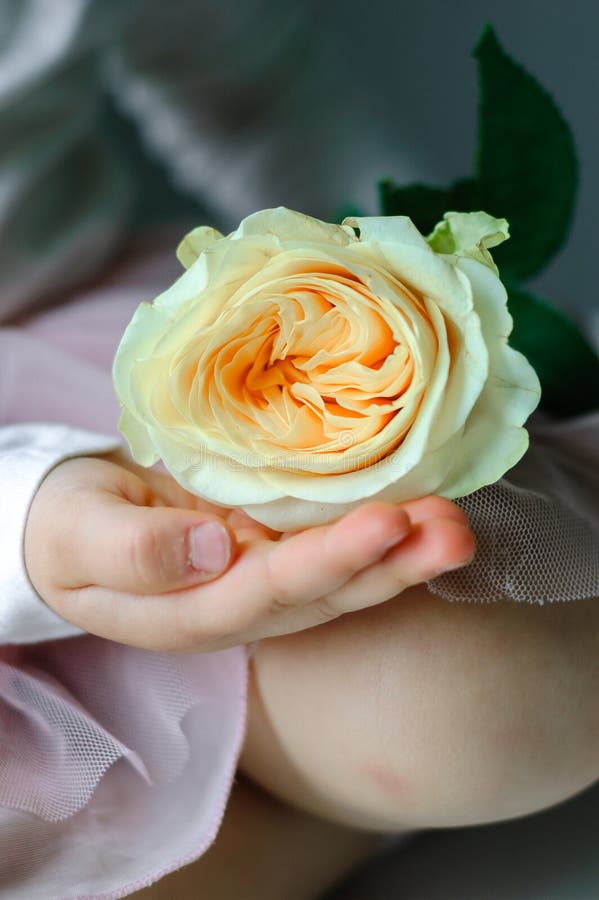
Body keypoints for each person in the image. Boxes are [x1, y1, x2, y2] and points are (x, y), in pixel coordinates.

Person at [1, 3, 597, 898]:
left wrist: (438, 295)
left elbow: (257, 94)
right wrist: (26, 529)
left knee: (475, 703)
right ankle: (278, 839)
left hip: (93, 347)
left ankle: (315, 801)